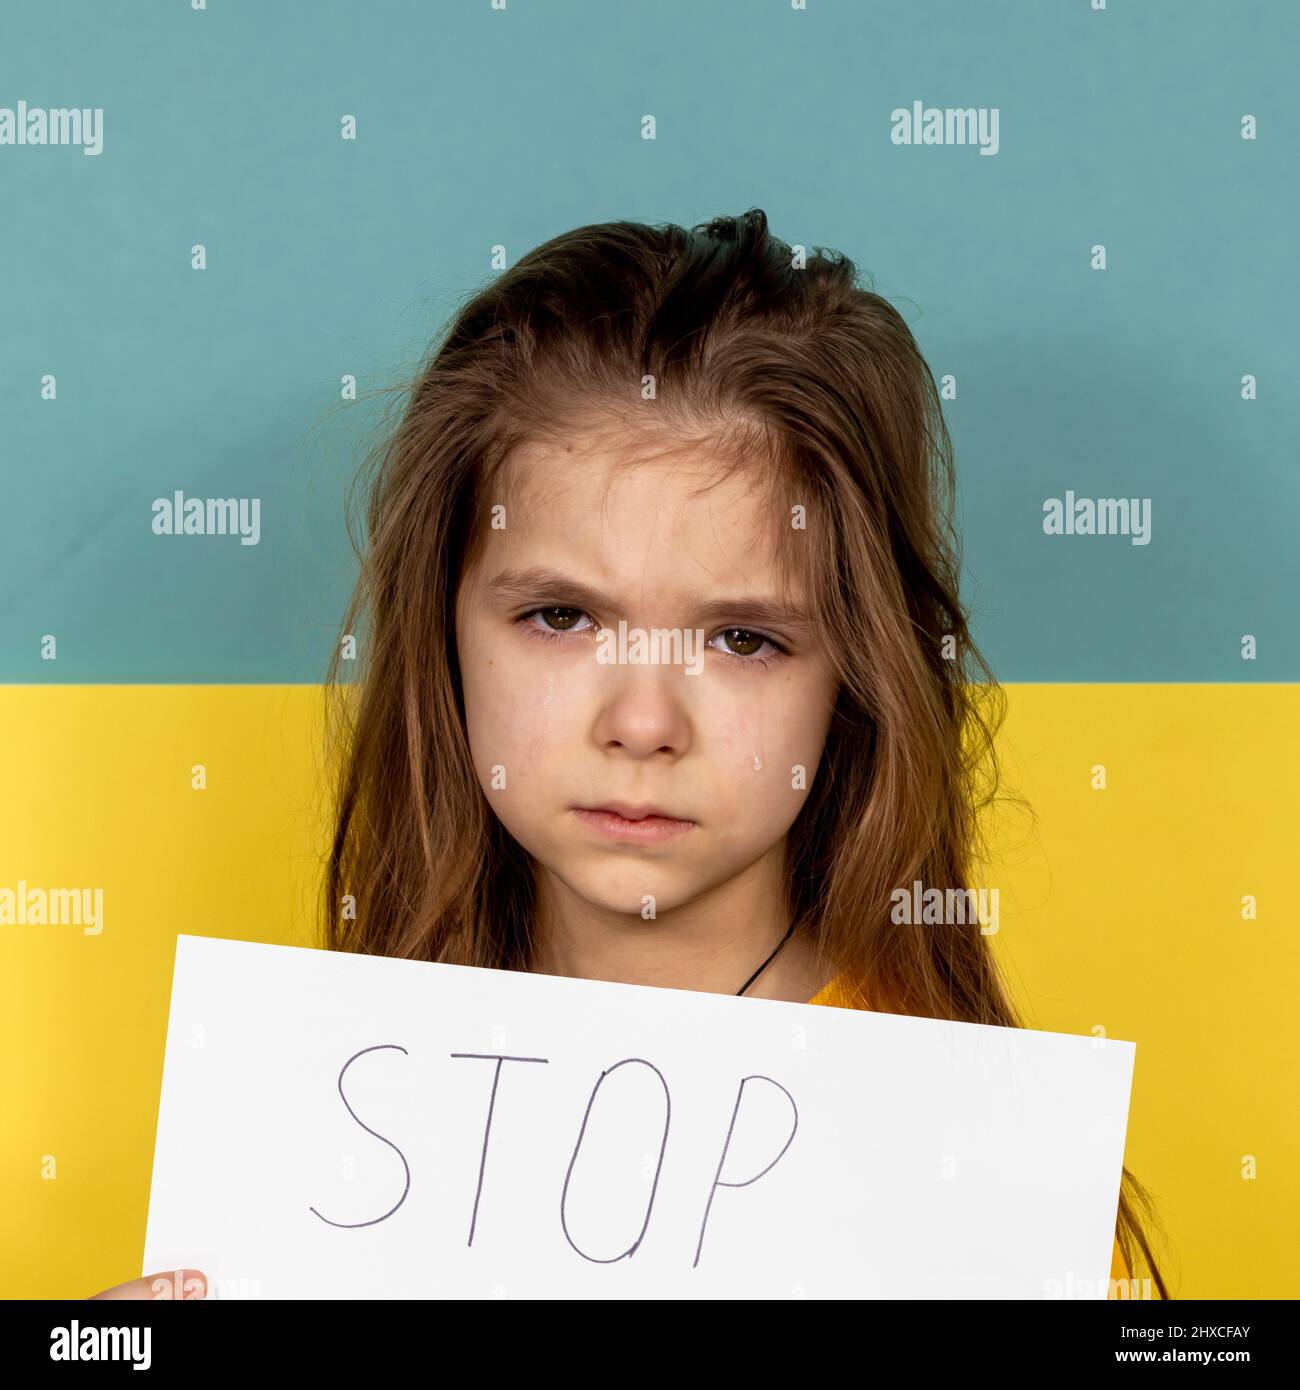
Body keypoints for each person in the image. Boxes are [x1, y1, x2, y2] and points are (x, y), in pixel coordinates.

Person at [92, 208, 1167, 1301]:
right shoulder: (314, 1141)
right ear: (443, 632)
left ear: (855, 671)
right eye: (561, 616)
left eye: (743, 638)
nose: (644, 722)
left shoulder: (991, 1191)